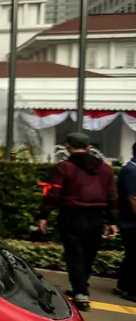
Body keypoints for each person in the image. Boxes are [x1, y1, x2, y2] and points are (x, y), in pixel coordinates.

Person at [37, 131, 118, 311]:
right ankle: (80, 287)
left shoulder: (64, 168)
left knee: (74, 254)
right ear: (89, 147)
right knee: (89, 254)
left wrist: (43, 215)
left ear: (67, 147)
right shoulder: (105, 169)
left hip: (71, 214)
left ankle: (81, 293)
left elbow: (54, 193)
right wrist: (112, 220)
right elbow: (112, 195)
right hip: (96, 216)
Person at [116, 144, 136, 300]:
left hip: (130, 222)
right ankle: (130, 290)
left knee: (131, 254)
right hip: (131, 223)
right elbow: (133, 198)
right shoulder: (132, 171)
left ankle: (123, 285)